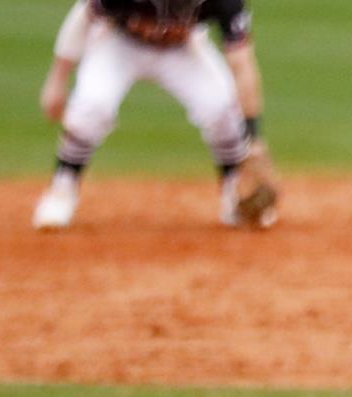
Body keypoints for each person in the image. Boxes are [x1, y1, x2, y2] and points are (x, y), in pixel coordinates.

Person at [31, 0, 269, 230]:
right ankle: (62, 189)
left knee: (221, 107)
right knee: (92, 107)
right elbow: (83, 18)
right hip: (119, 43)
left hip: (182, 48)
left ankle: (236, 193)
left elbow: (241, 61)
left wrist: (254, 140)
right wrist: (56, 81)